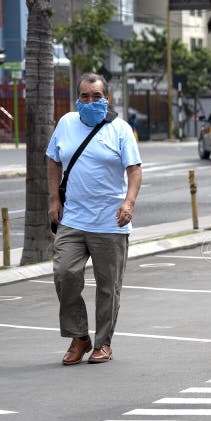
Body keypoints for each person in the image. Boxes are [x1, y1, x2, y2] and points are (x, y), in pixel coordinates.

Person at [47, 72, 142, 365]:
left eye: (96, 96)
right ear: (78, 99)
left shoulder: (121, 130)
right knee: (64, 274)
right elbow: (53, 160)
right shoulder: (66, 123)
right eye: (85, 96)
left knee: (107, 286)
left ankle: (103, 342)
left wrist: (128, 202)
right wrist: (54, 199)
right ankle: (79, 336)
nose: (90, 101)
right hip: (73, 218)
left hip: (110, 222)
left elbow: (134, 170)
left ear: (107, 99)